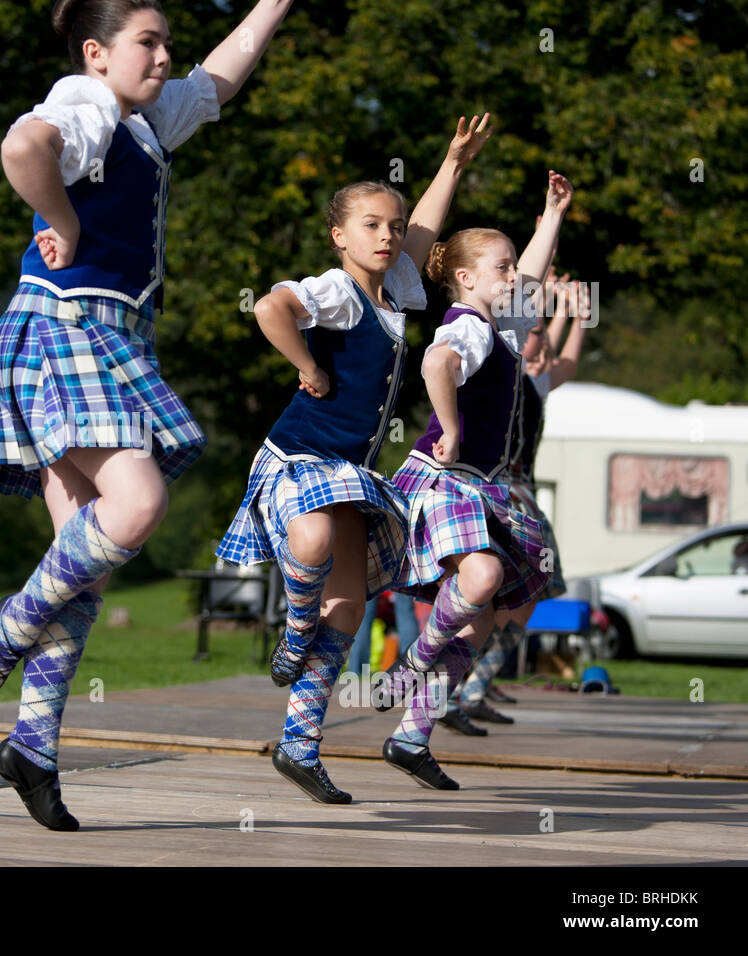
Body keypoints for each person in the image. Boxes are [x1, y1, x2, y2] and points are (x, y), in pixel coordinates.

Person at [0, 0, 294, 830]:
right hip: (66, 334)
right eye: (147, 42)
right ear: (95, 53)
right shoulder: (85, 103)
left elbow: (221, 74)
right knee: (138, 506)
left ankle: (32, 747)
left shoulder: (144, 124)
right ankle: (11, 621)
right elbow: (21, 145)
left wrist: (272, 6)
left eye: (166, 43)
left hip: (111, 344)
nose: (164, 55)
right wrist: (65, 221)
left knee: (87, 564)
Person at [216, 116, 490, 803]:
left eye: (392, 227)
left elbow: (426, 226)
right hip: (299, 456)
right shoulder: (337, 291)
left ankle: (299, 746)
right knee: (308, 540)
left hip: (351, 472)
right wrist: (306, 363)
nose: (389, 235)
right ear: (340, 235)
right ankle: (292, 630)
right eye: (372, 225)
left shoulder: (397, 288)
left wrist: (453, 161)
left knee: (346, 609)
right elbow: (271, 309)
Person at [379, 171, 574, 789]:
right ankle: (414, 659)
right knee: (484, 577)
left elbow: (535, 279)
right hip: (446, 477)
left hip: (478, 484)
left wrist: (552, 215)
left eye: (513, 267)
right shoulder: (466, 322)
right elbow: (436, 360)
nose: (515, 277)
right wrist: (447, 424)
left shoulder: (503, 327)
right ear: (466, 278)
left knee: (483, 619)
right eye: (502, 267)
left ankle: (412, 735)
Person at [451, 273, 591, 720]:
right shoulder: (504, 363)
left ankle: (473, 686)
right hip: (498, 491)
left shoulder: (533, 382)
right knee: (489, 597)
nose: (541, 337)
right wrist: (553, 303)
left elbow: (560, 361)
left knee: (525, 598)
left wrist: (575, 314)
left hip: (520, 493)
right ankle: (454, 690)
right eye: (535, 330)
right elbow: (531, 338)